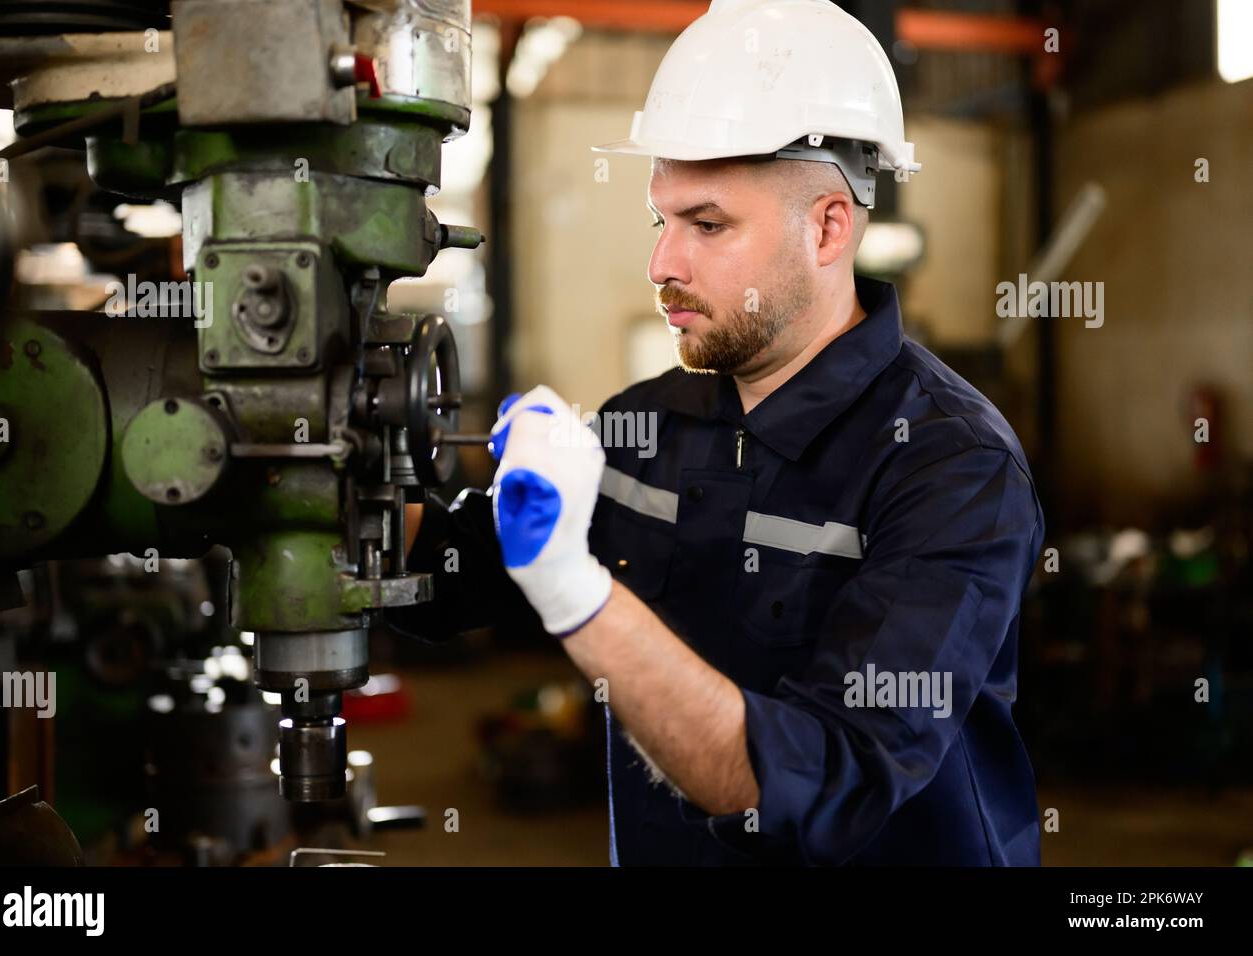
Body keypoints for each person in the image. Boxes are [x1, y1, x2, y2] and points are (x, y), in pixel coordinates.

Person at [395, 0, 1044, 866]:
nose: (664, 263)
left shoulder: (953, 468)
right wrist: (317, 489)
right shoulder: (648, 421)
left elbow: (823, 777)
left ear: (828, 227)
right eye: (662, 221)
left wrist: (574, 588)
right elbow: (454, 573)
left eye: (707, 225)